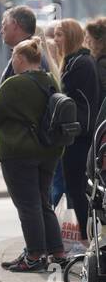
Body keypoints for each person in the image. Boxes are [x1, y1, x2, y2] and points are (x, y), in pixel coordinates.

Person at [0, 36, 69, 273]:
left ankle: (34, 255)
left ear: (20, 58)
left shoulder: (13, 85)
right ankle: (57, 252)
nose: (12, 62)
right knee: (43, 202)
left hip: (18, 151)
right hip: (49, 150)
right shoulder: (51, 81)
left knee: (27, 205)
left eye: (13, 57)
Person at [53, 18, 98, 239]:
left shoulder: (80, 63)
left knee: (78, 189)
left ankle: (86, 238)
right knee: (75, 188)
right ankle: (86, 236)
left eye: (60, 35)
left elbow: (78, 101)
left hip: (80, 136)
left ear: (70, 36)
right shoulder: (75, 61)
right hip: (76, 135)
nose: (56, 40)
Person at [0, 5, 39, 83]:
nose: (1, 31)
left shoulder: (30, 56)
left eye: (4, 25)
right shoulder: (31, 53)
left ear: (14, 24)